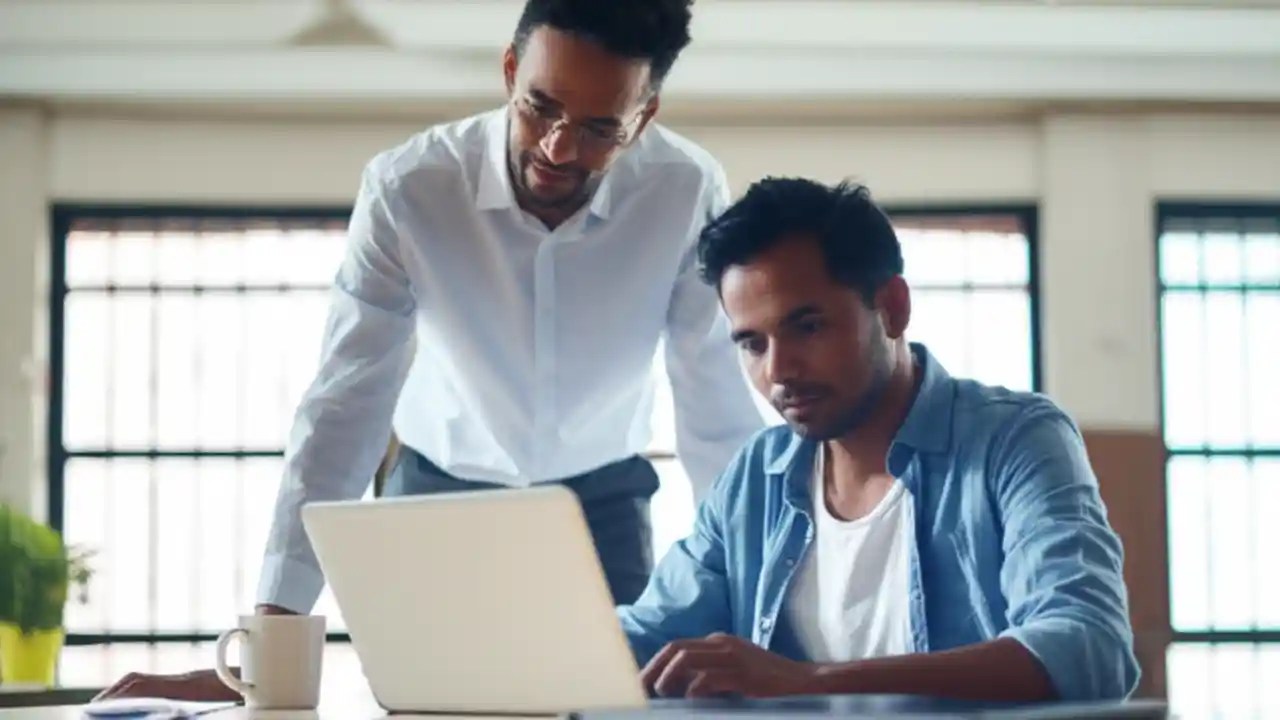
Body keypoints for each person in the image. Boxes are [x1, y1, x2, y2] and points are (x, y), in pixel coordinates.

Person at [95, 0, 764, 702]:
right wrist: (269, 642)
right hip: (436, 495)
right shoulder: (410, 185)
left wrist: (755, 618)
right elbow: (346, 403)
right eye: (541, 107)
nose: (559, 148)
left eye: (600, 128)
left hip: (602, 500)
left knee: (611, 706)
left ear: (644, 115)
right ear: (510, 70)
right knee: (427, 705)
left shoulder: (686, 189)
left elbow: (715, 410)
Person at [617, 177, 1141, 703]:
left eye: (807, 327)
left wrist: (808, 684)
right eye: (752, 343)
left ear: (892, 307)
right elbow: (646, 637)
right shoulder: (756, 476)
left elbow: (1087, 647)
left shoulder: (1015, 440)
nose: (778, 370)